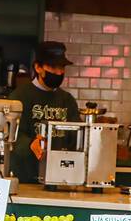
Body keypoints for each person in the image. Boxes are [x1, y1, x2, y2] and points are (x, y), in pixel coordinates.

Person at [9, 41, 81, 185]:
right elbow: (12, 135)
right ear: (38, 67)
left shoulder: (67, 100)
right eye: (53, 67)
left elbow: (76, 138)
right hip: (26, 180)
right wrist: (30, 144)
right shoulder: (19, 97)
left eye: (62, 67)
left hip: (60, 180)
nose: (59, 72)